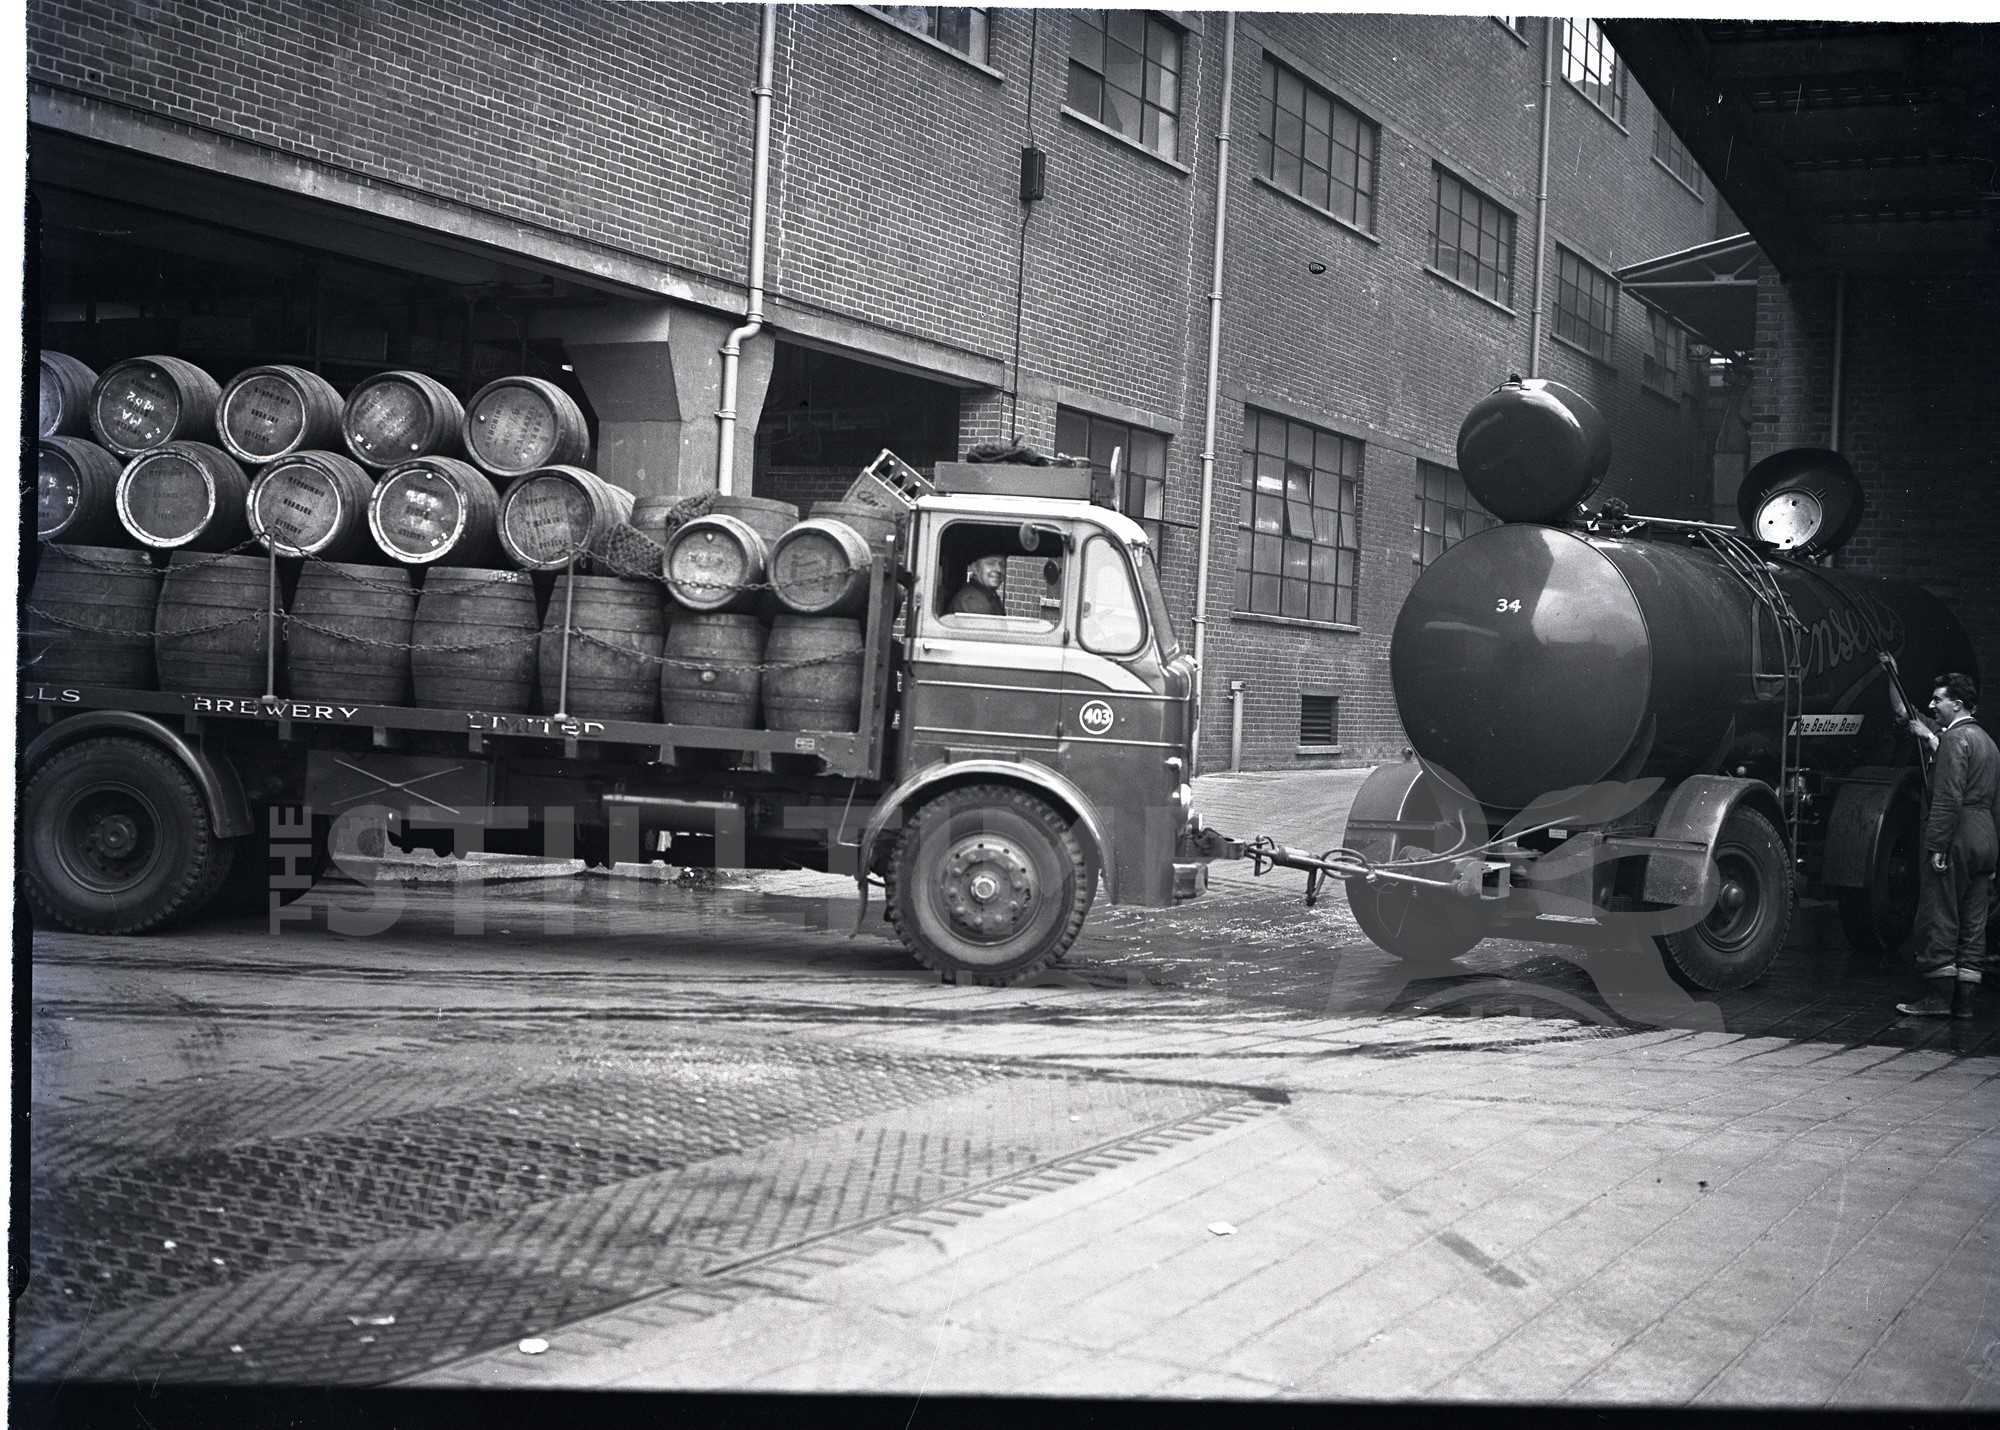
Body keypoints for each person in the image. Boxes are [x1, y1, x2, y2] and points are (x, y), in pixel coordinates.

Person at [1896, 672, 1998, 1018]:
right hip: (1985, 839)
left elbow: (1948, 797)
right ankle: (1965, 1004)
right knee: (1974, 921)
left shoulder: (1956, 741)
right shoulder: (1988, 742)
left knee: (1940, 914)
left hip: (1956, 835)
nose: (1931, 705)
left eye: (1938, 699)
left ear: (1957, 704)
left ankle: (1938, 1000)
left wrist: (1937, 845)